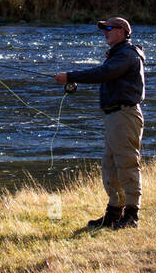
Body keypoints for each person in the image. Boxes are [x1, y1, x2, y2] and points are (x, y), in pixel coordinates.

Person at [54, 17, 146, 230]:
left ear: (122, 32)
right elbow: (105, 74)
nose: (105, 32)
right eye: (104, 29)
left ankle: (132, 215)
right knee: (110, 165)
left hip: (125, 115)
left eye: (109, 28)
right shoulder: (117, 55)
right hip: (115, 117)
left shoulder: (127, 55)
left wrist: (69, 76)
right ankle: (114, 213)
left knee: (127, 164)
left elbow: (103, 74)